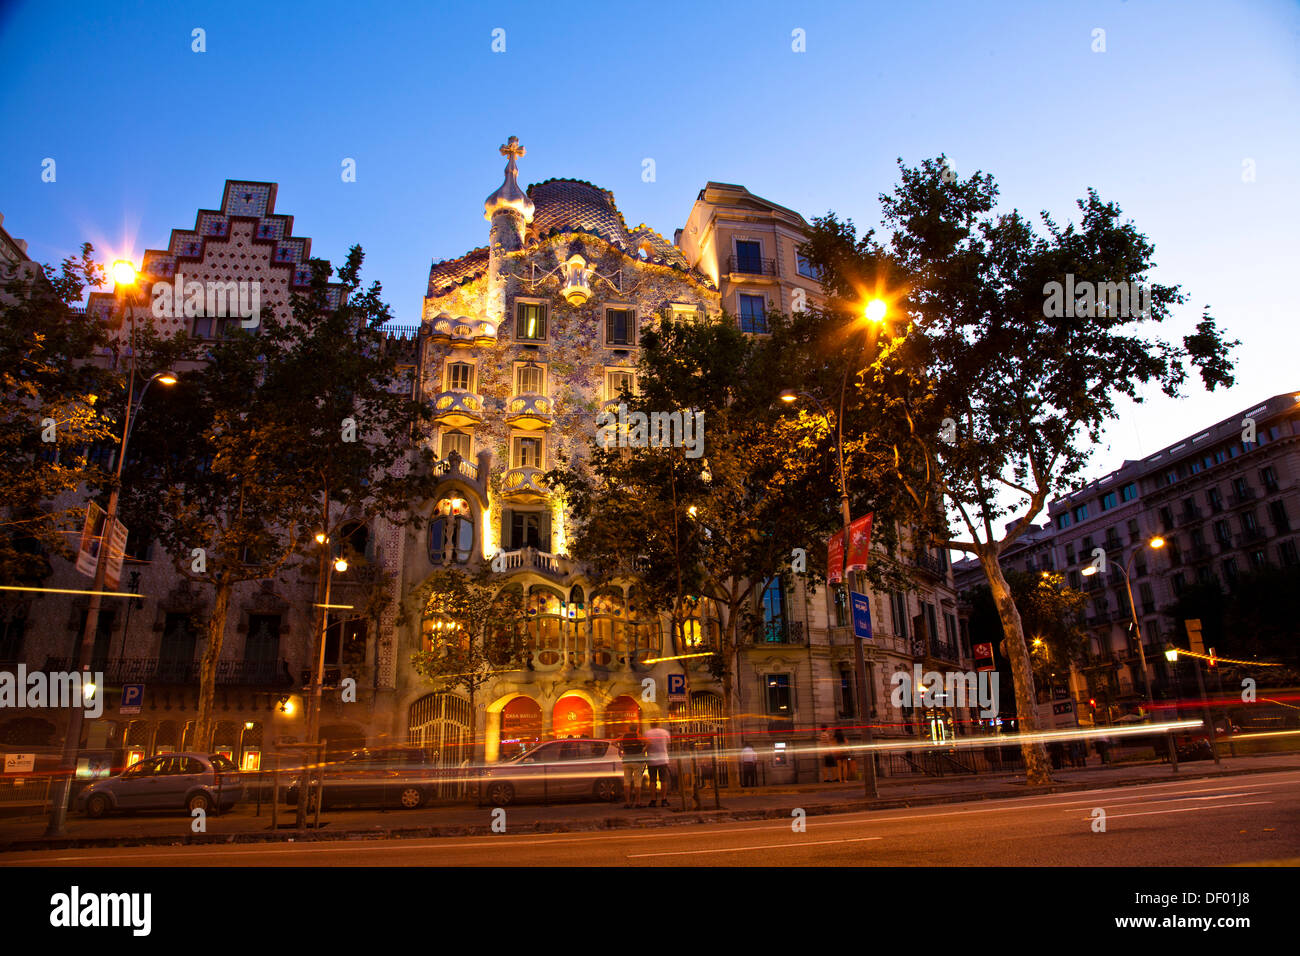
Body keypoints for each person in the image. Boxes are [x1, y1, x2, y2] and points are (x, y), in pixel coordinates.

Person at [643, 719, 672, 808]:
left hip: (652, 759)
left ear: (651, 724)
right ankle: (663, 799)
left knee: (652, 781)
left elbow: (645, 745)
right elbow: (668, 743)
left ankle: (653, 800)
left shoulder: (647, 733)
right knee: (663, 780)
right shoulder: (665, 732)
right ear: (659, 724)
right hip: (663, 759)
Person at [617, 724, 648, 808]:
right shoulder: (638, 736)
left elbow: (613, 742)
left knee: (627, 782)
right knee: (637, 782)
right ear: (637, 729)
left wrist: (622, 749)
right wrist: (643, 750)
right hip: (637, 761)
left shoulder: (624, 736)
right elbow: (649, 742)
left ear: (628, 729)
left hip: (626, 760)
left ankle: (627, 802)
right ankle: (638, 802)